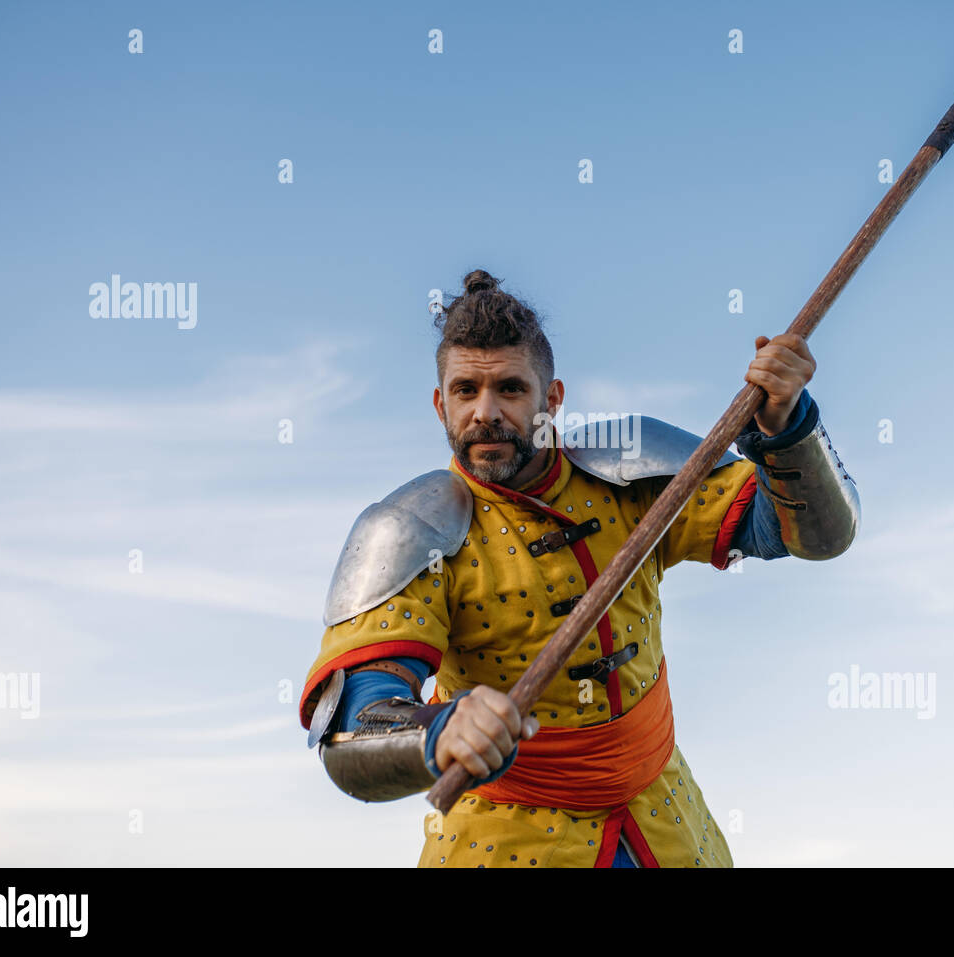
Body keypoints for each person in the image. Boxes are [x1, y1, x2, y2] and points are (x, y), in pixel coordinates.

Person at [299, 268, 860, 867]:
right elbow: (354, 732)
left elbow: (815, 536)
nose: (485, 413)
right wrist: (439, 731)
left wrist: (787, 430)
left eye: (511, 389)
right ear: (441, 403)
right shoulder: (414, 529)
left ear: (553, 399)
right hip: (506, 840)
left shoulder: (630, 468)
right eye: (466, 391)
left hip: (665, 822)